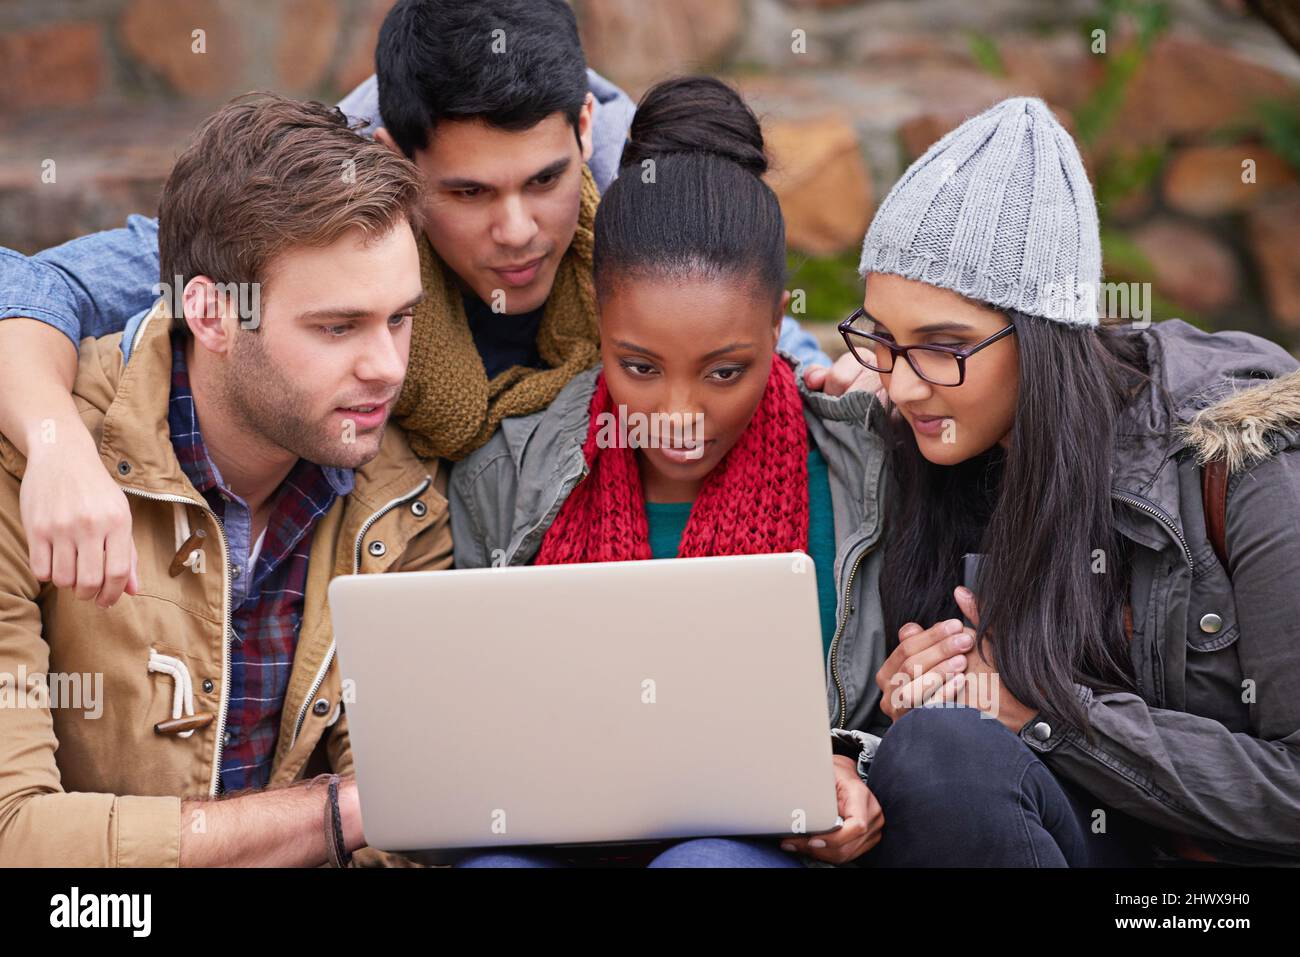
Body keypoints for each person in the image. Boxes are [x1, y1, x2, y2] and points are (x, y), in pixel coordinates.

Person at [0, 0, 836, 610]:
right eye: (468, 192)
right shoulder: (323, 213)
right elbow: (32, 286)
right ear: (393, 155)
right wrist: (54, 445)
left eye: (545, 181)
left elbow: (741, 312)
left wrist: (813, 368)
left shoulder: (631, 180)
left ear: (584, 128)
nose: (517, 231)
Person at [843, 97, 1300, 866]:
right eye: (881, 339)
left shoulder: (1245, 457)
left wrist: (1046, 714)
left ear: (1046, 338)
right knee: (936, 752)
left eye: (942, 346)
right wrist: (916, 704)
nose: (903, 385)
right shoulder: (936, 450)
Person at [0, 93, 453, 867]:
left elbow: (411, 838)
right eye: (337, 327)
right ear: (209, 314)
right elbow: (16, 835)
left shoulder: (401, 503)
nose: (387, 368)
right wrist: (339, 812)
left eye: (400, 318)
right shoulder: (34, 459)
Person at [448, 76, 889, 868]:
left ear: (779, 322)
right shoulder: (504, 476)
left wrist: (857, 773)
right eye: (640, 366)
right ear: (599, 309)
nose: (681, 414)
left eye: (726, 371)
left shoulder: (865, 474)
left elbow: (909, 711)